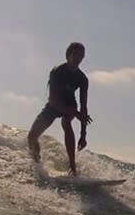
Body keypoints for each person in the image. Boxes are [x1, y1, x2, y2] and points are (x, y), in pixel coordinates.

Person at [27, 42, 93, 175]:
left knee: (67, 123)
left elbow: (84, 107)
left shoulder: (83, 79)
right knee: (31, 136)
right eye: (75, 54)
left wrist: (83, 135)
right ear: (68, 55)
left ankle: (73, 169)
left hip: (70, 104)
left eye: (81, 55)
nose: (78, 58)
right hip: (54, 105)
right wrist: (75, 113)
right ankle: (37, 163)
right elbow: (53, 101)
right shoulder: (57, 71)